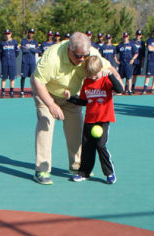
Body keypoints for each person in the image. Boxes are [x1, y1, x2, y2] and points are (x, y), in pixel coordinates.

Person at [31, 32, 117, 185]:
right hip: (47, 92)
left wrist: (113, 80)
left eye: (85, 56)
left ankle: (77, 166)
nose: (82, 60)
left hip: (72, 96)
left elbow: (110, 69)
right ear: (69, 49)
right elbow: (37, 81)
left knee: (76, 129)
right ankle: (42, 169)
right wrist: (51, 104)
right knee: (46, 123)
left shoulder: (90, 54)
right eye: (78, 56)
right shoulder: (52, 57)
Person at [65, 55, 125, 184]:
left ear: (100, 70)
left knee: (100, 145)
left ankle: (109, 173)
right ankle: (84, 173)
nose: (93, 77)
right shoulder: (87, 82)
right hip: (89, 120)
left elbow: (120, 89)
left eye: (95, 74)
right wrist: (70, 98)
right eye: (90, 74)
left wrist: (110, 75)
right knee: (87, 147)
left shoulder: (105, 80)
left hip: (103, 120)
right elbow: (83, 101)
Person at [0, 29, 19, 97]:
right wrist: (3, 60)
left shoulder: (15, 43)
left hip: (12, 62)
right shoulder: (2, 43)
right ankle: (3, 92)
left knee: (12, 78)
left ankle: (11, 92)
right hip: (4, 62)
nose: (7, 35)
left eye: (8, 33)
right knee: (3, 78)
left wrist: (12, 58)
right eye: (6, 34)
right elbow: (1, 54)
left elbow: (17, 52)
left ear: (11, 34)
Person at [20, 29, 40, 97]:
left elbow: (37, 51)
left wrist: (29, 49)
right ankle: (22, 91)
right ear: (28, 33)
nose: (31, 34)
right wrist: (32, 50)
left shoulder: (35, 42)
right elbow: (23, 50)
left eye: (32, 33)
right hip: (25, 61)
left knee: (33, 77)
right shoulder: (24, 41)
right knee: (23, 77)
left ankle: (33, 91)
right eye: (30, 33)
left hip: (32, 62)